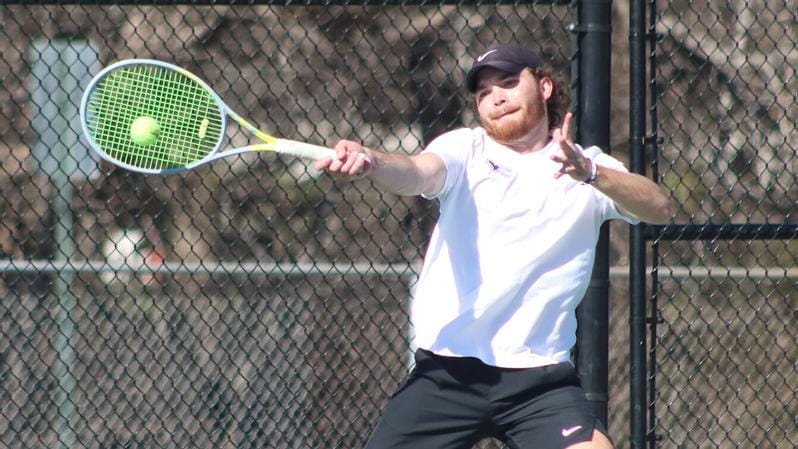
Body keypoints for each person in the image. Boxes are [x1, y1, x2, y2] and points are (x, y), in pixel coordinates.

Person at [314, 43, 672, 449]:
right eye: (484, 93)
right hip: (447, 375)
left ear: (545, 87)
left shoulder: (585, 163)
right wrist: (373, 160)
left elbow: (658, 207)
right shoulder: (465, 149)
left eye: (507, 83)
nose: (496, 98)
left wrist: (592, 173)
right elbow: (416, 172)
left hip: (541, 383)